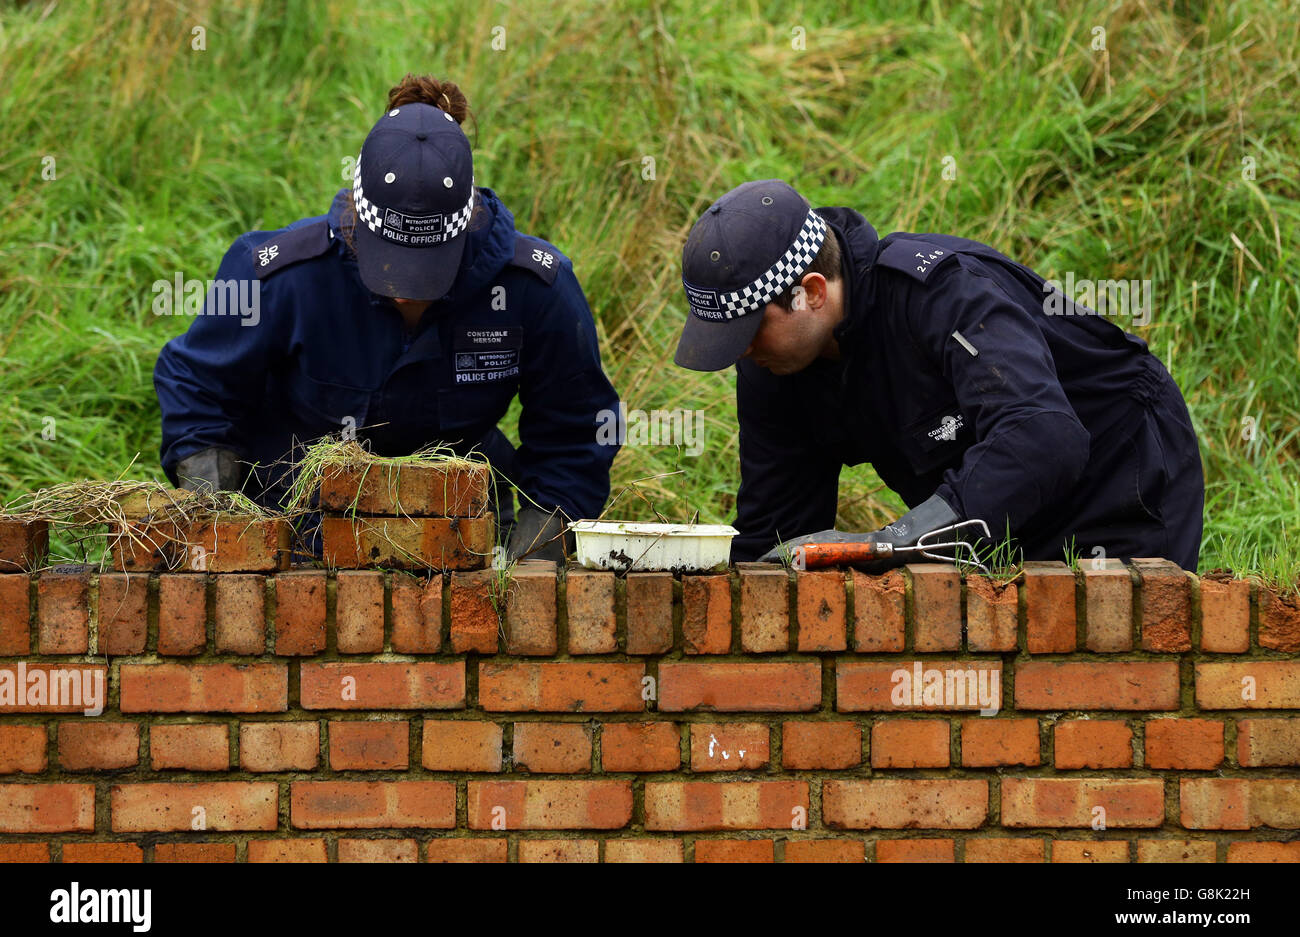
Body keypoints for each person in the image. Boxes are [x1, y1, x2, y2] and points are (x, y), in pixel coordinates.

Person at [154, 75, 621, 561]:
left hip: (461, 519)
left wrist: (532, 562)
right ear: (358, 219)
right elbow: (197, 386)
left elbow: (576, 430)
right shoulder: (279, 276)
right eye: (390, 266)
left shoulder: (534, 288)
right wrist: (222, 522)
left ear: (467, 227)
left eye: (428, 271)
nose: (406, 294)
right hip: (292, 511)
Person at [672, 179, 1204, 571]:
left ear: (810, 292)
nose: (739, 352)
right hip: (996, 511)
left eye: (747, 331)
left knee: (1101, 673)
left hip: (1117, 470)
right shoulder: (776, 361)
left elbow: (1044, 437)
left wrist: (895, 541)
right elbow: (776, 531)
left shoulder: (942, 294)